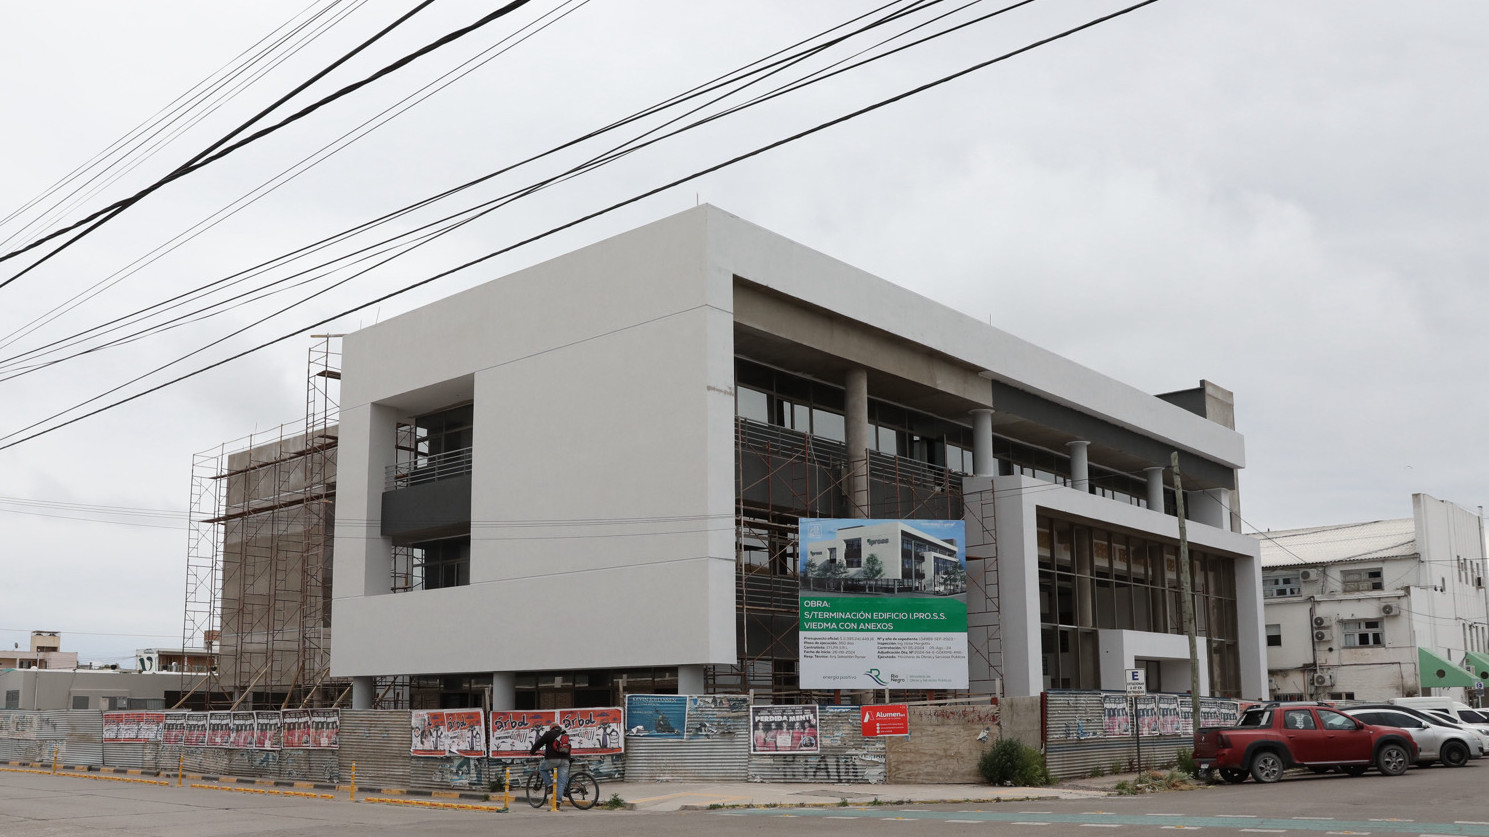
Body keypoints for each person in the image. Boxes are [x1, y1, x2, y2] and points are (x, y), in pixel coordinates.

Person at [529, 723, 572, 805]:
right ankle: (557, 802)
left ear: (551, 728)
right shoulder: (564, 734)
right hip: (565, 760)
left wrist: (532, 751)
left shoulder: (549, 734)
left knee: (542, 768)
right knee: (561, 782)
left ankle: (550, 785)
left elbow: (539, 743)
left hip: (552, 759)